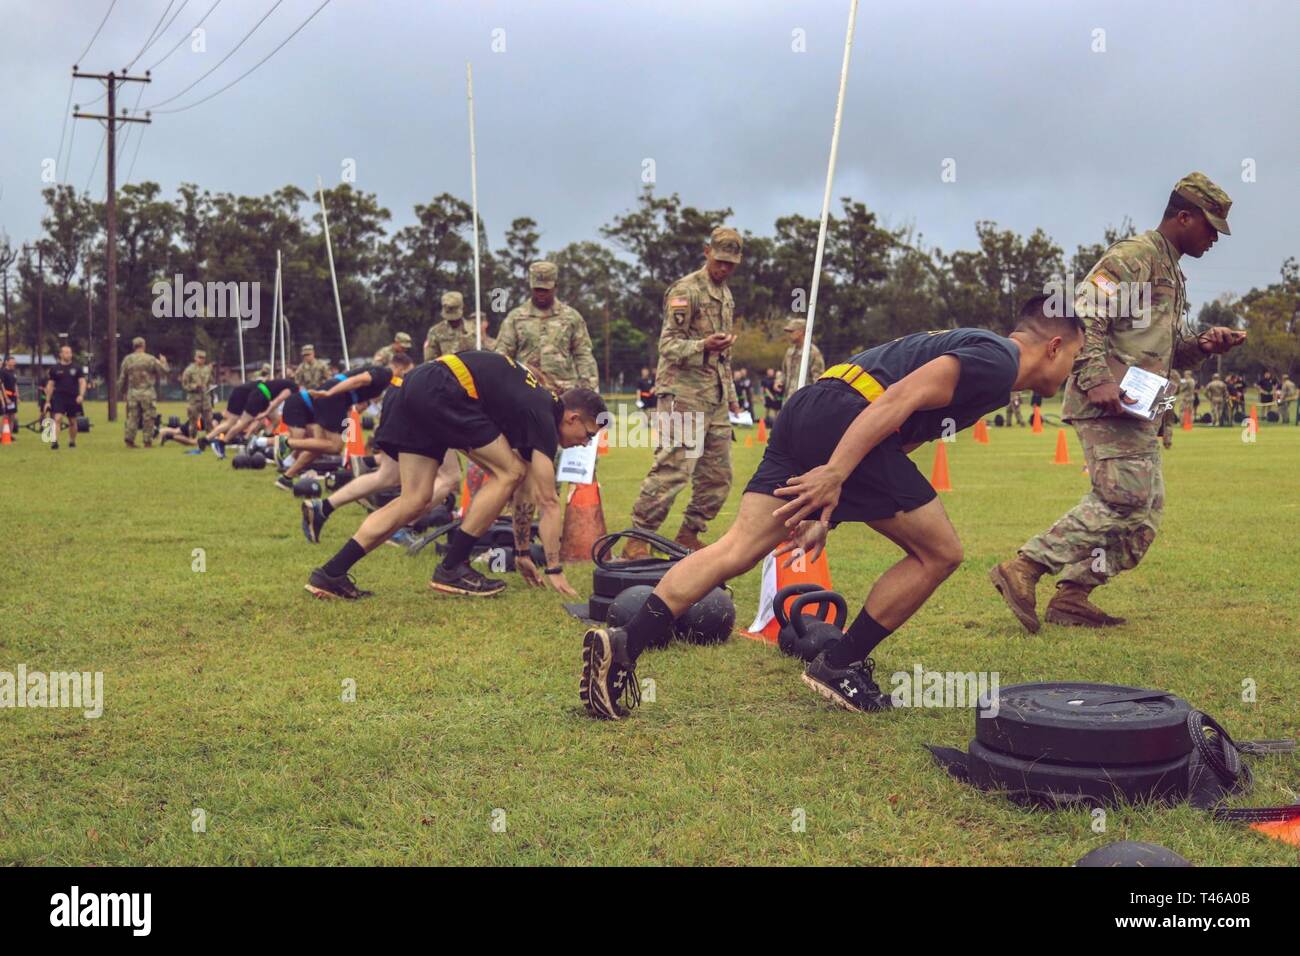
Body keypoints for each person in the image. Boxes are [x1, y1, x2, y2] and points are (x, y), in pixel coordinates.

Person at [579, 299, 1086, 720]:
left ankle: (625, 643)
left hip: (811, 408)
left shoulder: (984, 355)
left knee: (737, 547)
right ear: (1054, 346)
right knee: (940, 553)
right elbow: (897, 400)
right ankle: (840, 665)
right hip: (847, 414)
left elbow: (902, 434)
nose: (1073, 371)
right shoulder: (998, 362)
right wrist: (836, 472)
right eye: (1076, 357)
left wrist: (828, 509)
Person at [990, 172, 1247, 632]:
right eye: (1210, 228)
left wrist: (1204, 345)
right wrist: (1095, 378)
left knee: (1143, 516)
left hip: (1139, 405)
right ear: (1183, 217)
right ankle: (1025, 567)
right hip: (1109, 400)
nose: (1213, 239)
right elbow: (1085, 315)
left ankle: (1073, 595)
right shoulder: (1135, 257)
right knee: (1124, 500)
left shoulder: (1171, 270)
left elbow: (1163, 351)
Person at [305, 351, 604, 600]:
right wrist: (554, 569)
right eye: (588, 434)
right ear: (573, 418)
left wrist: (522, 551)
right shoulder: (544, 413)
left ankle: (331, 573)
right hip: (442, 388)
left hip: (417, 386)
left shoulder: (534, 406)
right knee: (509, 471)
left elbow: (525, 492)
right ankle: (453, 567)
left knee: (415, 499)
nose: (585, 443)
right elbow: (548, 501)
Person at [623, 227, 743, 557]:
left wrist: (732, 397)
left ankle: (688, 535)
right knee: (674, 469)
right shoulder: (686, 291)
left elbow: (724, 356)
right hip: (683, 393)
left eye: (731, 264)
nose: (724, 268)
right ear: (707, 252)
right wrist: (703, 345)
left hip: (715, 396)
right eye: (719, 261)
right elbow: (668, 345)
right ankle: (638, 540)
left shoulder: (725, 295)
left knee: (718, 476)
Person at [277, 352, 414, 490]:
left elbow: (363, 396)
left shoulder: (384, 377)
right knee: (335, 447)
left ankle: (286, 478)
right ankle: (287, 442)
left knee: (320, 446)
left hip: (336, 400)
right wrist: (330, 392)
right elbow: (357, 380)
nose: (408, 377)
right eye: (407, 372)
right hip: (334, 398)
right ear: (400, 368)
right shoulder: (385, 373)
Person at [495, 261, 599, 390]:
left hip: (563, 393)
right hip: (527, 391)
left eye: (545, 289)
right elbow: (502, 356)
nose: (541, 293)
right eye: (537, 289)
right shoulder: (515, 318)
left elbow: (583, 355)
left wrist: (588, 389)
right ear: (531, 286)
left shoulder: (571, 317)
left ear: (555, 287)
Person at [117, 336, 169, 448]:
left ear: (134, 346)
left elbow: (122, 378)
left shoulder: (127, 359)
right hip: (147, 393)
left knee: (132, 417)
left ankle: (129, 440)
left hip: (132, 393)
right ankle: (147, 441)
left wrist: (123, 392)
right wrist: (164, 362)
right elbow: (164, 372)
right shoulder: (150, 359)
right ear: (144, 346)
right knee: (148, 418)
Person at [44, 344, 86, 450]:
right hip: (59, 397)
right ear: (61, 354)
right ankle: (54, 442)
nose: (69, 354)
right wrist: (47, 401)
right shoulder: (55, 368)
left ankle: (72, 441)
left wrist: (81, 395)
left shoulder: (77, 367)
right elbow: (50, 384)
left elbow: (82, 382)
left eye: (70, 352)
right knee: (57, 418)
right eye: (66, 352)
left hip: (73, 397)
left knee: (72, 421)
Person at [774, 318, 826, 403]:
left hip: (804, 401)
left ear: (801, 332)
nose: (789, 335)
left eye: (791, 332)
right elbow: (784, 371)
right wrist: (779, 381)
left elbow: (818, 380)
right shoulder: (790, 352)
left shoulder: (813, 353)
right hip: (788, 400)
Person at [424, 292, 476, 361]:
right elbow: (430, 360)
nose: (453, 321)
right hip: (445, 367)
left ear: (463, 307)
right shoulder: (435, 332)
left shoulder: (474, 329)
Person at [180, 349, 214, 430]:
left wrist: (211, 396)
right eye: (199, 357)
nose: (201, 360)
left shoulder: (207, 369)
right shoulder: (189, 370)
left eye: (203, 358)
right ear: (195, 358)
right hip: (194, 400)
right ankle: (192, 437)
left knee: (209, 421)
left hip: (206, 400)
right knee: (193, 423)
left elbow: (210, 383)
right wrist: (195, 386)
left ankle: (210, 437)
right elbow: (185, 384)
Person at [1, 356, 19, 440]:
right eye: (12, 361)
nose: (13, 363)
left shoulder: (13, 372)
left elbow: (15, 384)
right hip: (7, 396)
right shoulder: (3, 371)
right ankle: (2, 435)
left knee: (12, 416)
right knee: (6, 416)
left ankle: (9, 435)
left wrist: (17, 396)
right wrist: (6, 398)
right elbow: (2, 385)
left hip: (13, 397)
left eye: (14, 361)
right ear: (7, 362)